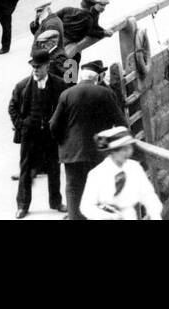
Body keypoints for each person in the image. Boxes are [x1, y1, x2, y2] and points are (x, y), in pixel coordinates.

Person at [50, 60, 128, 220]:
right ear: (96, 79)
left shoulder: (66, 94)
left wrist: (64, 143)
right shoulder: (105, 93)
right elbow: (121, 124)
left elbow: (54, 125)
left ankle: (74, 216)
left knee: (73, 188)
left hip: (72, 153)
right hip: (98, 152)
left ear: (80, 78)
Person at [9, 50, 67, 217]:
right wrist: (21, 125)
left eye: (39, 67)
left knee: (54, 168)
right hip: (30, 136)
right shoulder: (22, 86)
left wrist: (58, 127)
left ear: (47, 66)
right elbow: (12, 107)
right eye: (33, 66)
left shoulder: (59, 84)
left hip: (50, 135)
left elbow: (64, 108)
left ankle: (56, 201)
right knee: (26, 170)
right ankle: (22, 206)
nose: (35, 70)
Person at [81, 126, 162, 220]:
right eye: (123, 150)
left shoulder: (134, 168)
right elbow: (86, 206)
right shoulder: (97, 174)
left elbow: (148, 195)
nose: (128, 153)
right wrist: (109, 216)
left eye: (129, 148)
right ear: (112, 152)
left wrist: (155, 214)